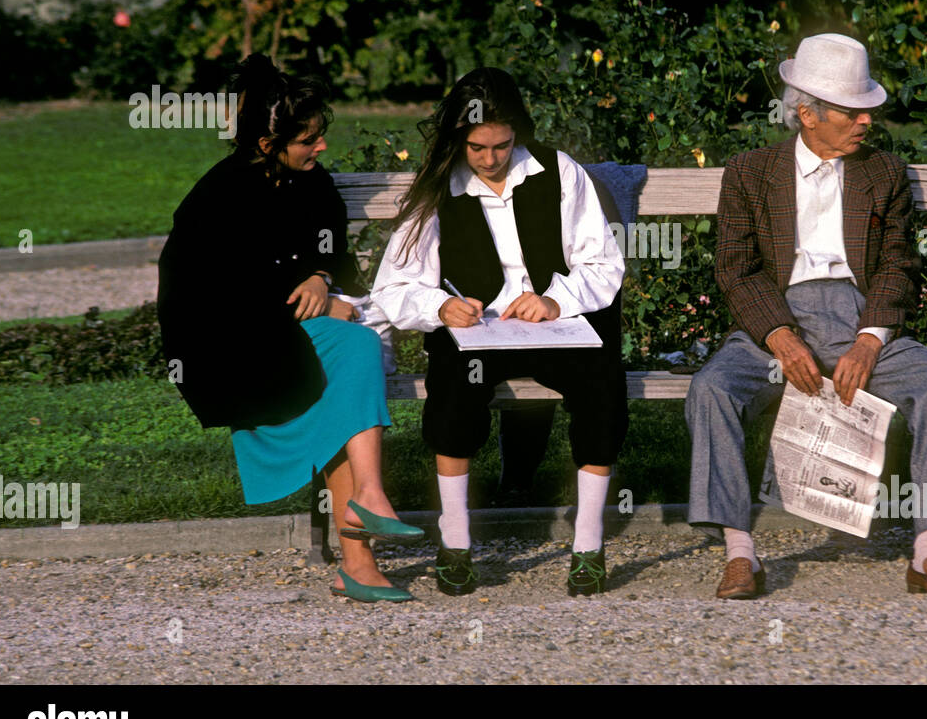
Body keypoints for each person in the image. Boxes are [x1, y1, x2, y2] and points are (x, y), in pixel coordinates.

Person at [686, 33, 927, 600]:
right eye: (853, 111)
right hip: (776, 317)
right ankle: (740, 553)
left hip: (860, 319)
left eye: (869, 110)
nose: (867, 121)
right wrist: (778, 337)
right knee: (712, 389)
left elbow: (896, 266)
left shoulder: (882, 173)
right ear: (807, 114)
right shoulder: (750, 171)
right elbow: (736, 268)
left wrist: (870, 341)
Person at [157, 53, 424, 604]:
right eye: (309, 140)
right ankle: (364, 529)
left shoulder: (307, 180)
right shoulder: (219, 198)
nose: (321, 147)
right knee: (351, 354)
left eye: (320, 136)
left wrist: (323, 276)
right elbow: (221, 294)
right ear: (265, 145)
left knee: (351, 361)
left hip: (279, 328)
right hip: (223, 343)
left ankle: (364, 531)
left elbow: (327, 233)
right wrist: (323, 308)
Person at [370, 67, 627, 597]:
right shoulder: (437, 192)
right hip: (477, 333)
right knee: (454, 391)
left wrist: (557, 299)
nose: (490, 159)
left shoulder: (560, 172)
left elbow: (602, 263)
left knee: (602, 384)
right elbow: (394, 288)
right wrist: (442, 308)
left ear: (519, 133)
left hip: (553, 327)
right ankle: (456, 540)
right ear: (457, 140)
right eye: (477, 147)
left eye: (502, 145)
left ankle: (588, 544)